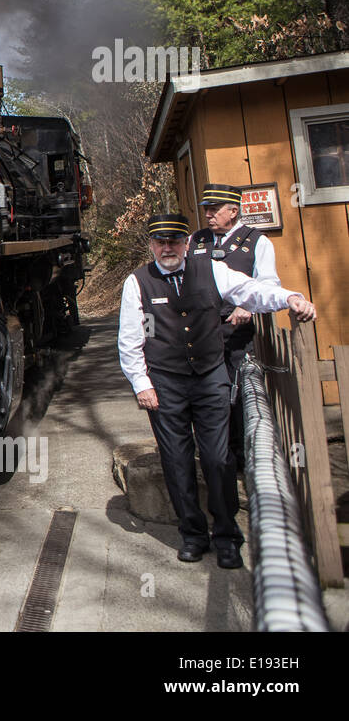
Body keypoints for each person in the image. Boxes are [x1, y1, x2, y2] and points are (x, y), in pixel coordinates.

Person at [117, 213, 316, 569]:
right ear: (151, 245)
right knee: (177, 462)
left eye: (175, 241)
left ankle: (227, 537)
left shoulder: (211, 269)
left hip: (210, 377)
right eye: (161, 242)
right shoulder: (138, 282)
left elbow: (251, 291)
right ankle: (193, 535)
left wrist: (290, 298)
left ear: (186, 243)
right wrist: (141, 384)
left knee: (219, 459)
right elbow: (130, 340)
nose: (168, 248)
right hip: (165, 383)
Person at [187, 184, 279, 470]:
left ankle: (242, 459)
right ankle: (217, 457)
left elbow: (268, 283)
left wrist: (247, 306)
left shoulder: (256, 241)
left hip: (237, 337)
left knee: (240, 395)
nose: (209, 215)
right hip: (203, 336)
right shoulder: (196, 240)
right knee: (208, 397)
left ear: (234, 211)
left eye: (214, 210)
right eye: (206, 210)